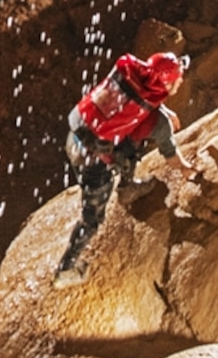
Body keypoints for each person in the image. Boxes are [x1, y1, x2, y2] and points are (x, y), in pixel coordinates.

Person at [55, 50, 186, 275]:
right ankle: (66, 269)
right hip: (92, 158)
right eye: (177, 78)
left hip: (76, 134)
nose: (181, 80)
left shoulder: (132, 75)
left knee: (131, 143)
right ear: (166, 83)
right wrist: (186, 167)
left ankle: (127, 187)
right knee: (93, 219)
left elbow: (149, 98)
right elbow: (170, 152)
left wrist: (164, 109)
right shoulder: (148, 104)